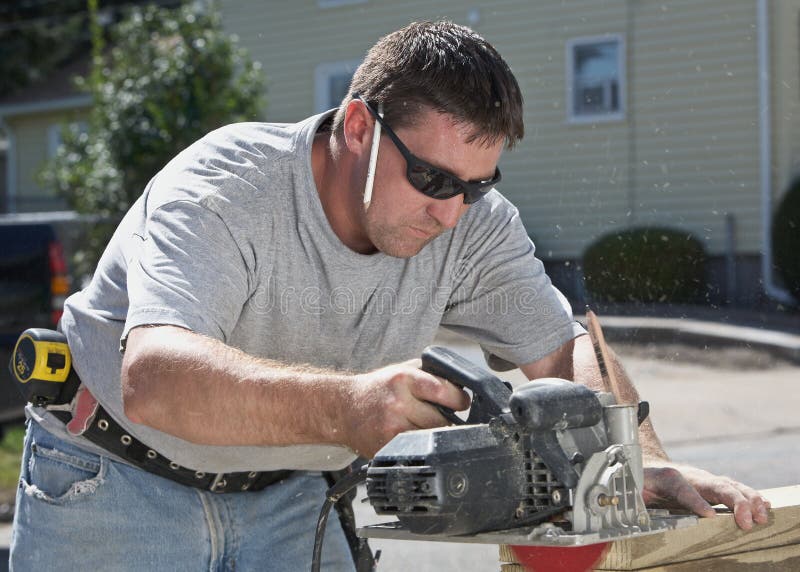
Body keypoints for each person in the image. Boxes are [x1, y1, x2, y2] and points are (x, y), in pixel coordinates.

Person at [10, 20, 769, 571]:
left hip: (289, 497)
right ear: (356, 127)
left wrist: (632, 461)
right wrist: (347, 407)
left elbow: (564, 348)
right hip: (117, 485)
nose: (451, 212)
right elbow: (154, 379)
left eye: (477, 186)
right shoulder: (225, 187)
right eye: (432, 178)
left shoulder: (471, 223)